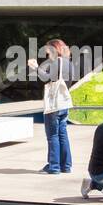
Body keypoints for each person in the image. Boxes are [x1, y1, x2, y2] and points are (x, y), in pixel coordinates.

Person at [29, 39, 73, 174]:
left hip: (54, 105)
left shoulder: (56, 62)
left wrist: (35, 67)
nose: (47, 53)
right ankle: (66, 166)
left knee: (53, 135)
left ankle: (54, 166)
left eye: (48, 49)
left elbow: (46, 78)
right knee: (63, 134)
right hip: (64, 103)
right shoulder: (69, 63)